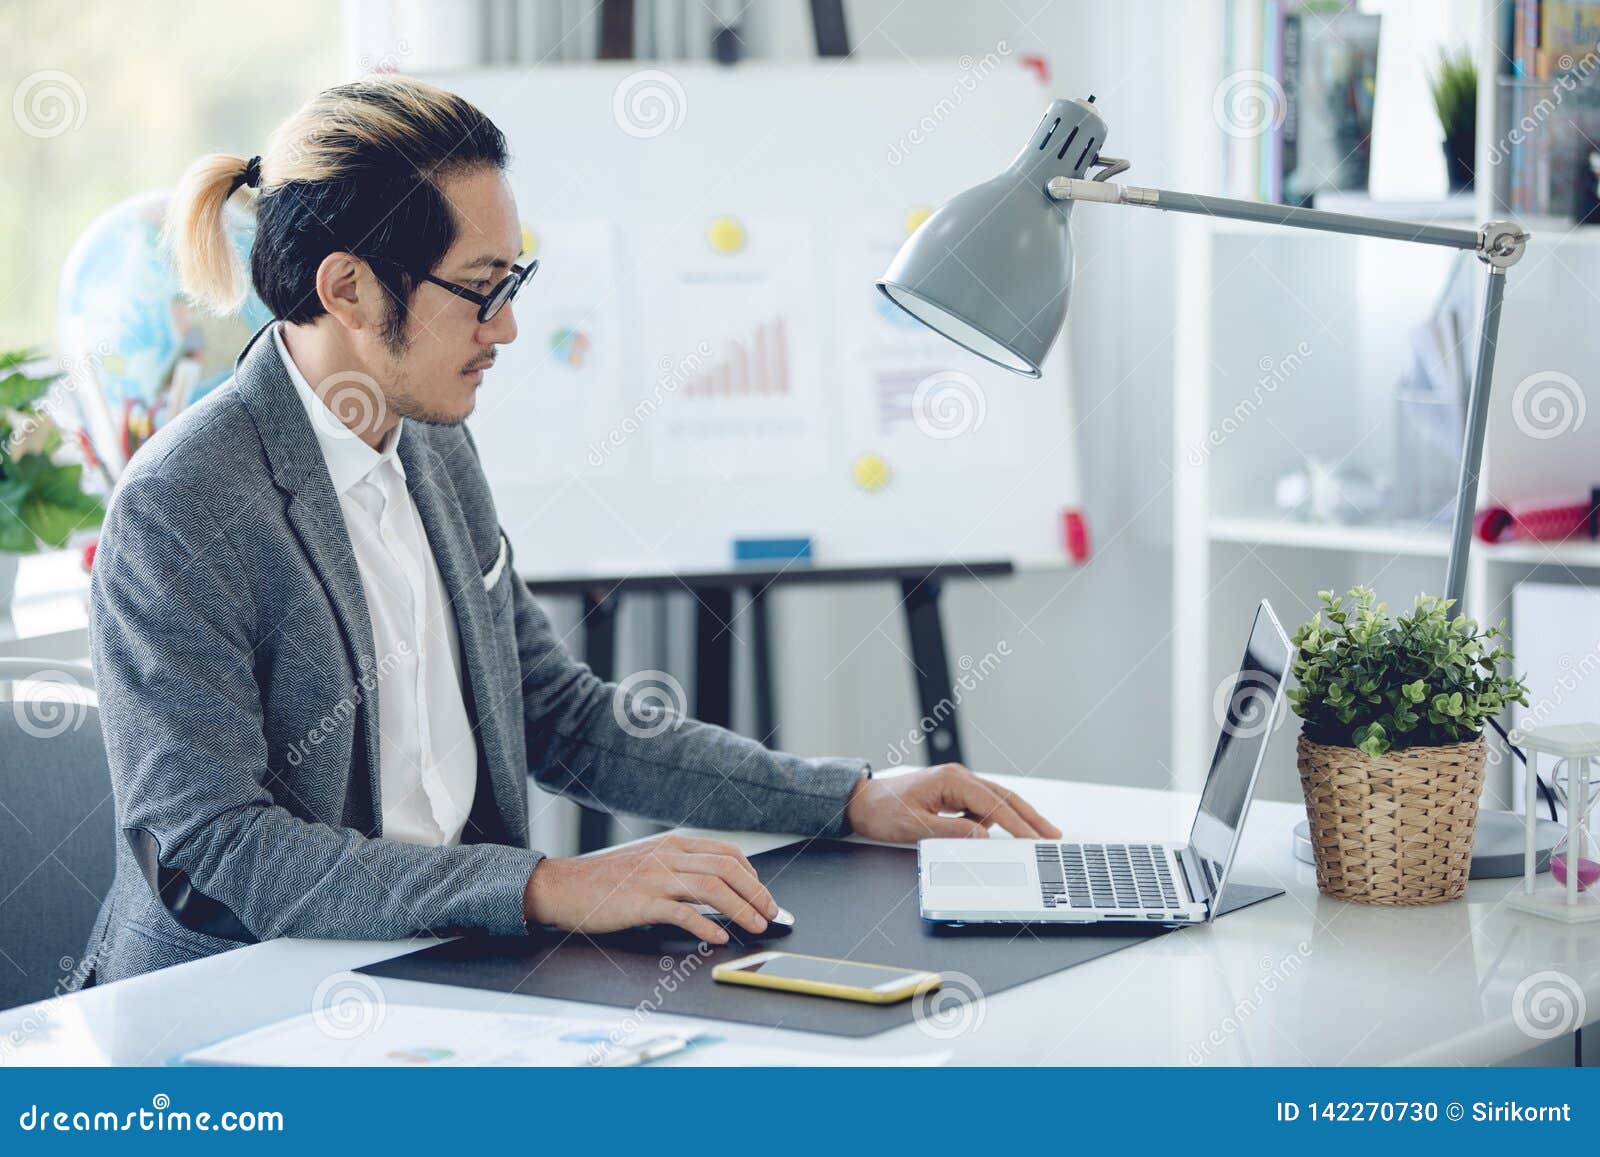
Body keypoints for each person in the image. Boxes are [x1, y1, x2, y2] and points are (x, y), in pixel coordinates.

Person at [78, 74, 1060, 987]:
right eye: (480, 288)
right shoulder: (184, 506)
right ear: (347, 289)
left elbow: (554, 712)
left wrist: (845, 797)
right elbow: (219, 848)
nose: (504, 328)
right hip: (240, 1003)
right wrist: (546, 884)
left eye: (516, 282)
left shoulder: (427, 442)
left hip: (445, 966)